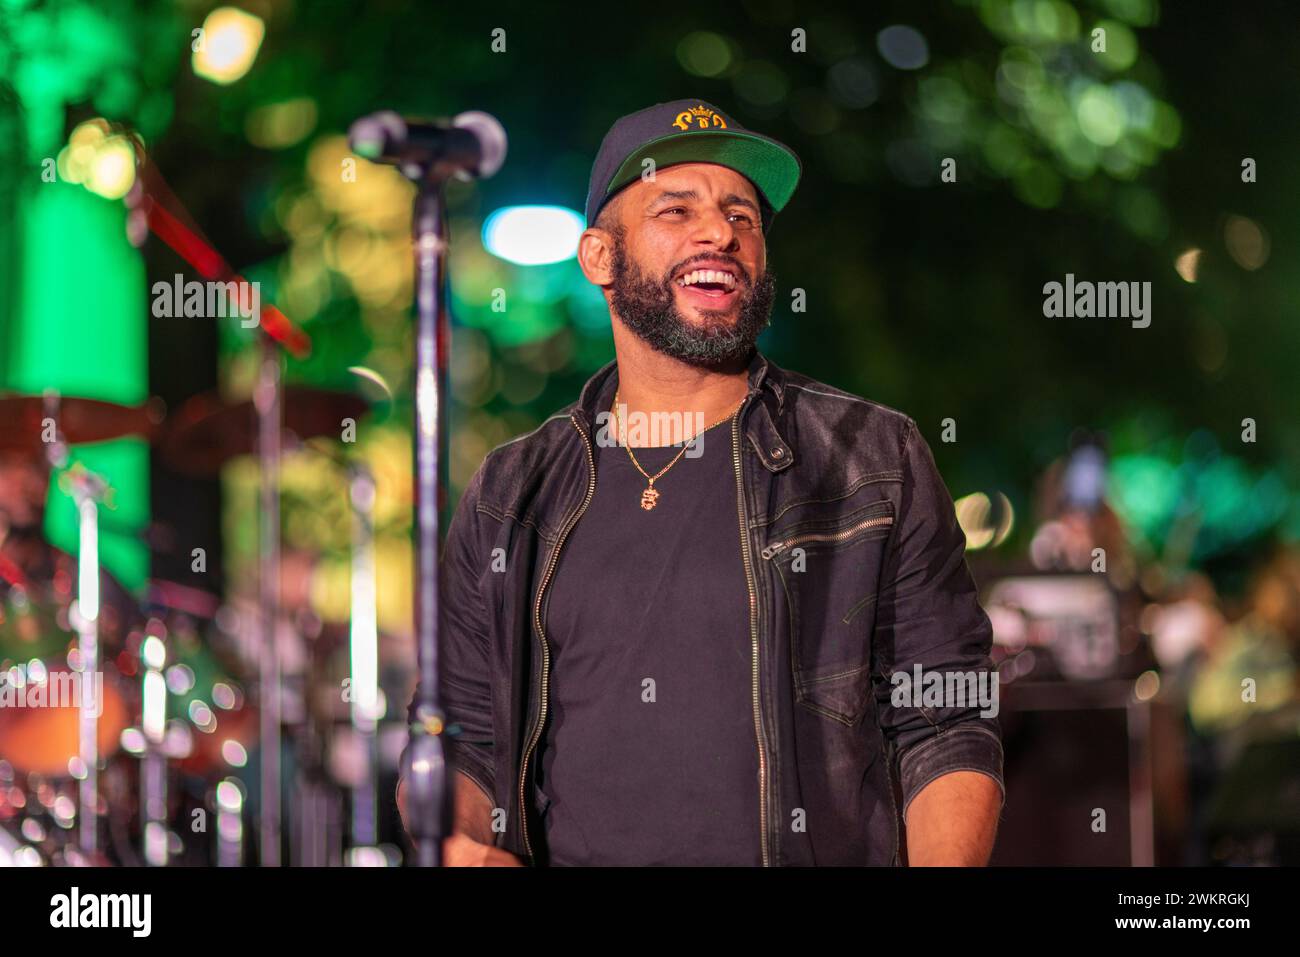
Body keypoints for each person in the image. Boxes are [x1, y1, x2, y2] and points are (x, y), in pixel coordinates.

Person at [400, 99, 1004, 866]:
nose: (719, 232)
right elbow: (463, 735)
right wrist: (465, 848)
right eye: (675, 208)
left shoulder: (870, 455)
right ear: (598, 257)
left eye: (741, 216)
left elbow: (945, 718)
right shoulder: (511, 493)